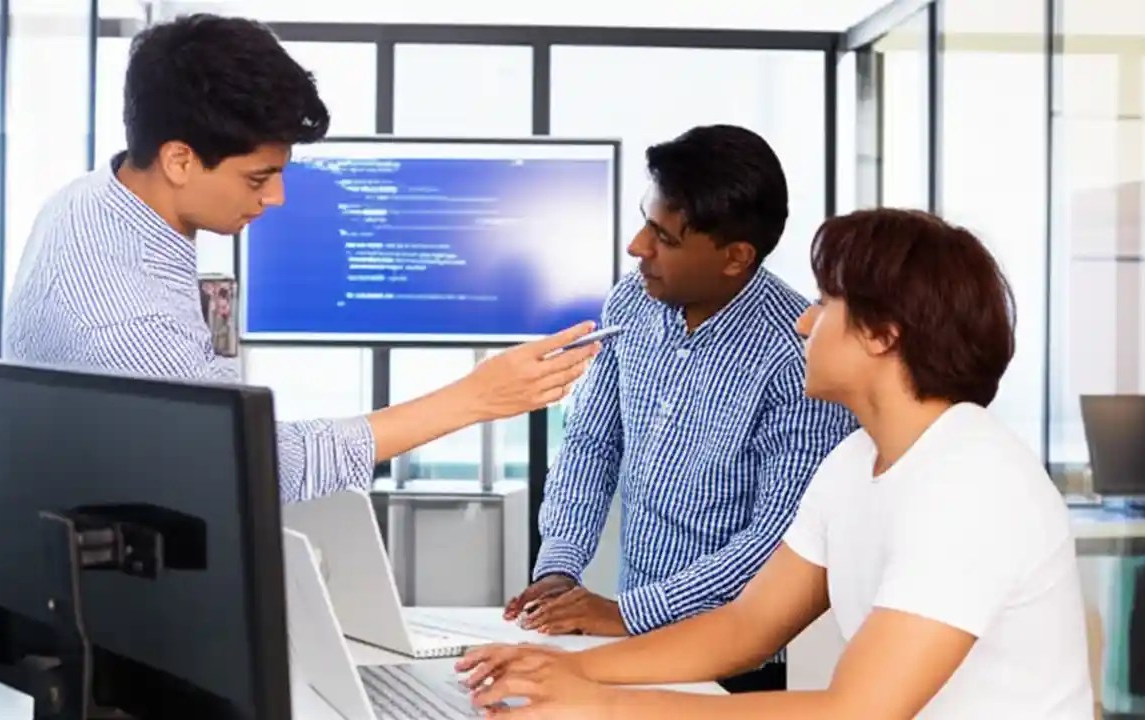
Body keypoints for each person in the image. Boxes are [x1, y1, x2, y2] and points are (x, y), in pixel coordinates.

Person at [458, 208, 1094, 719]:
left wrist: (599, 706)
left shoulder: (971, 484)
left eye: (826, 304)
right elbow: (746, 627)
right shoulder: (857, 459)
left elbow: (859, 710)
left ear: (882, 334)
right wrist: (564, 668)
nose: (803, 322)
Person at [0, 14, 599, 504]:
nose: (276, 197)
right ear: (179, 159)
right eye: (259, 177)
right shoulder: (124, 316)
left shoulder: (87, 199)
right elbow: (254, 467)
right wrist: (476, 398)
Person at [502, 124, 857, 691]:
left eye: (663, 238)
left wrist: (629, 613)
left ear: (735, 257)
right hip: (625, 633)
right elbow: (593, 444)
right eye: (646, 222)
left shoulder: (799, 359)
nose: (637, 248)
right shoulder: (633, 301)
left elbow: (776, 540)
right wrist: (560, 565)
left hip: (732, 658)